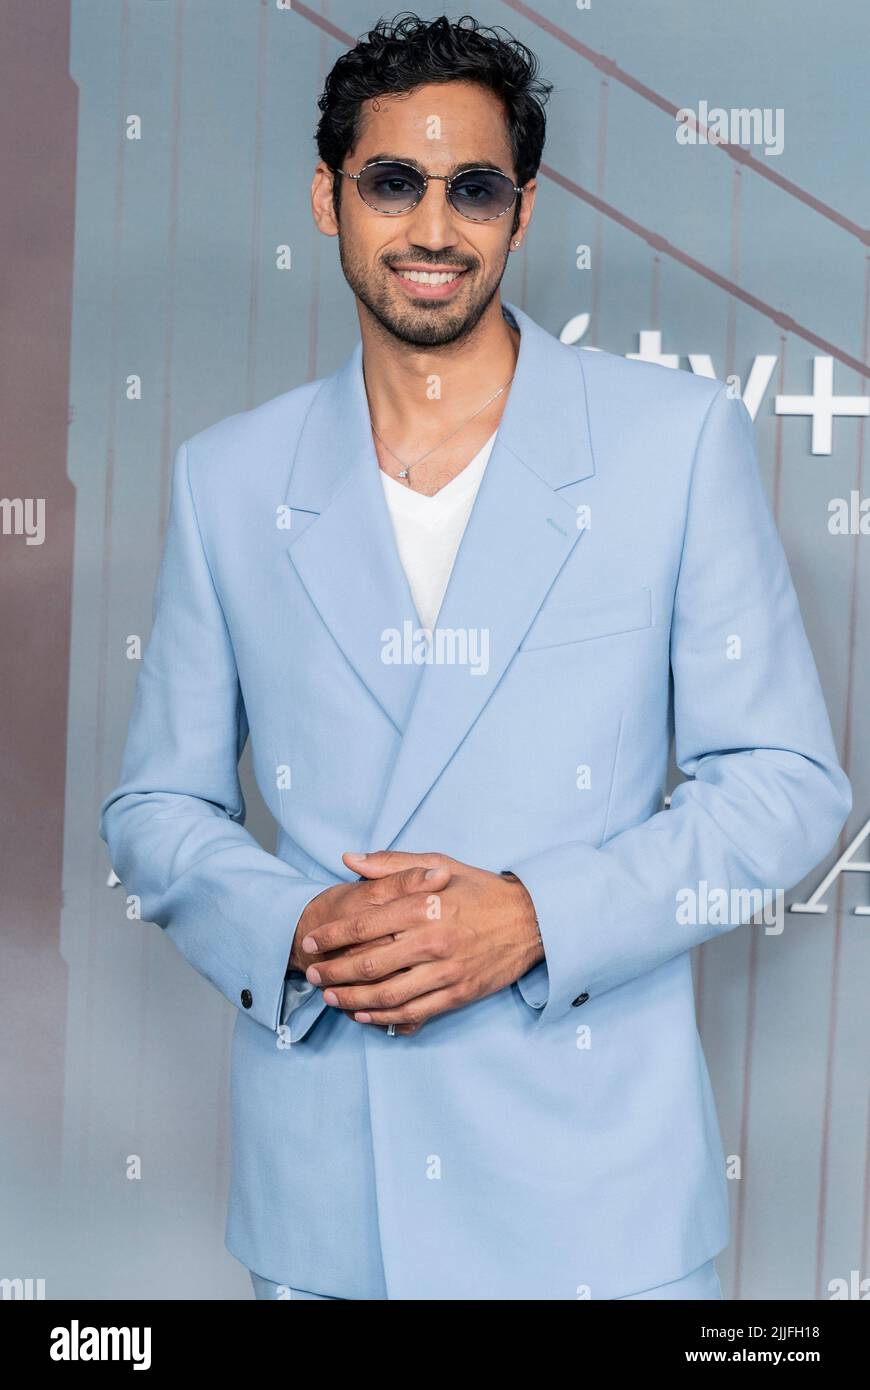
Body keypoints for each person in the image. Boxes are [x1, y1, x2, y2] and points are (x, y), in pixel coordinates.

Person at [99, 13, 851, 1301]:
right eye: (394, 183)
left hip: (596, 1197)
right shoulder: (228, 481)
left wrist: (537, 918)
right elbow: (156, 805)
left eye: (474, 188)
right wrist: (296, 924)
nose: (434, 228)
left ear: (523, 209)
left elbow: (786, 782)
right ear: (326, 198)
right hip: (333, 1191)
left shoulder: (673, 445)